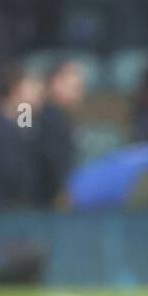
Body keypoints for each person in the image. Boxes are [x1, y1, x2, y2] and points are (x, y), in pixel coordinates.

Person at [0, 64, 44, 209]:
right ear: (15, 90)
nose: (38, 91)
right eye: (31, 86)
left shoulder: (24, 123)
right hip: (2, 214)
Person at [36, 58, 86, 208]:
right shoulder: (47, 118)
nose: (80, 95)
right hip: (43, 205)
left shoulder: (57, 118)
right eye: (75, 89)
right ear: (56, 84)